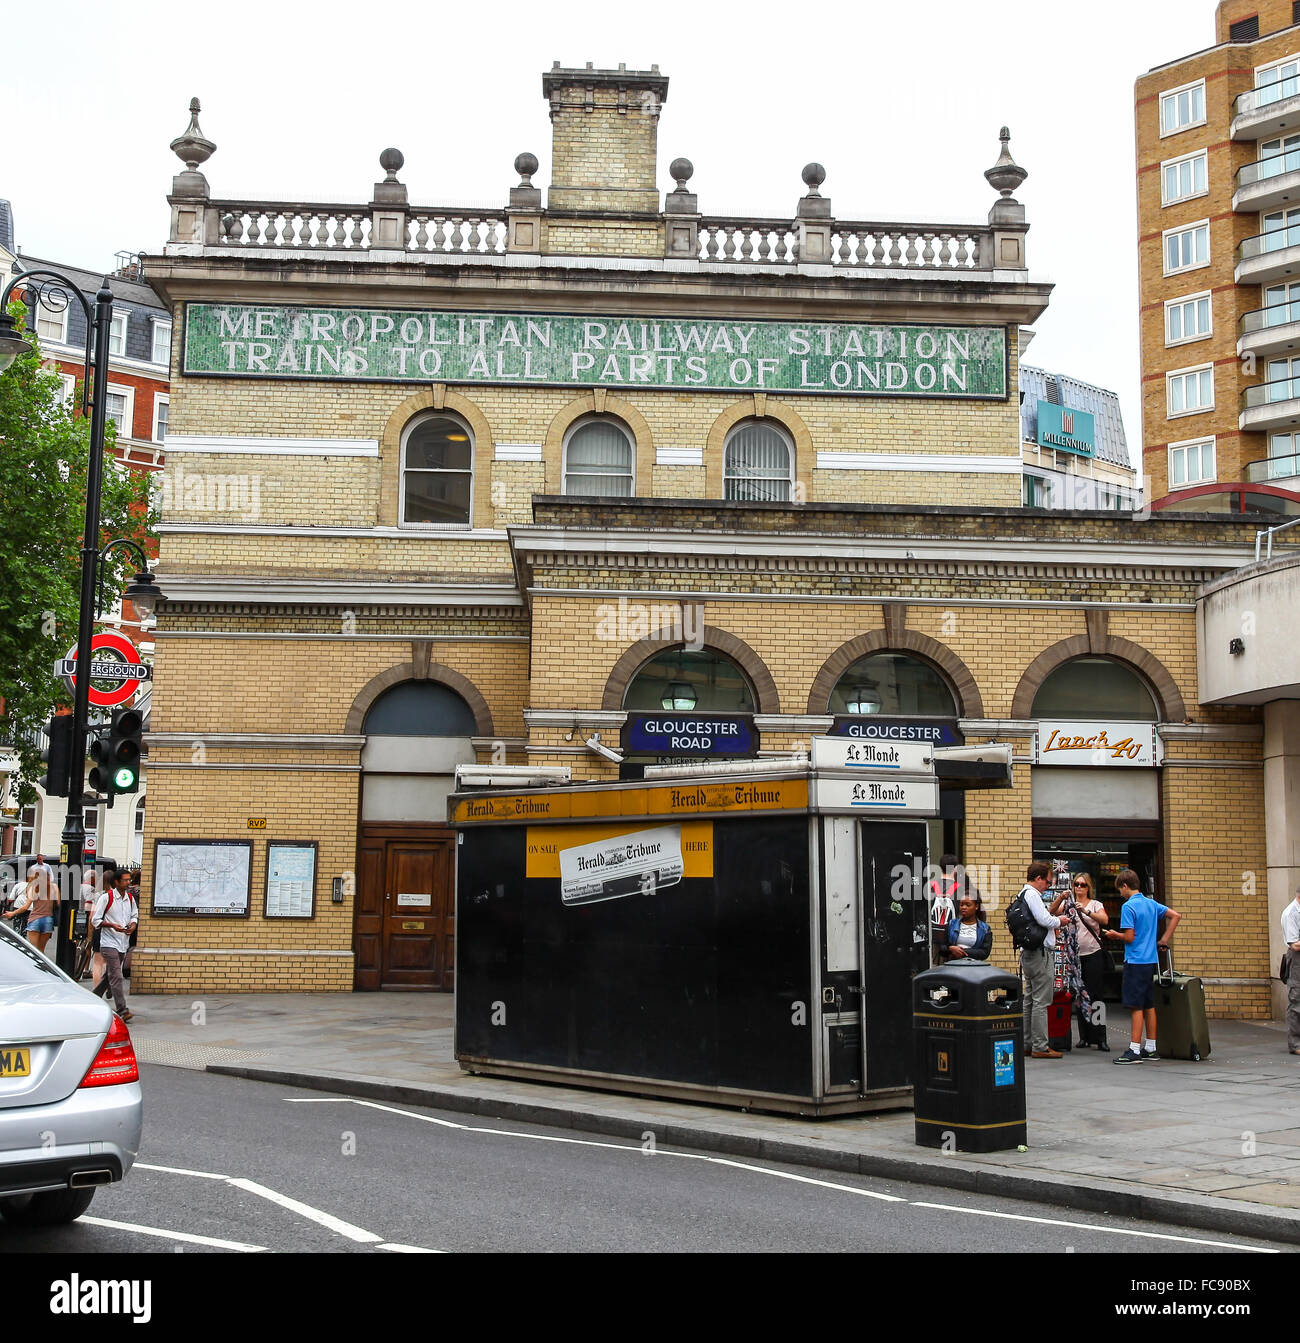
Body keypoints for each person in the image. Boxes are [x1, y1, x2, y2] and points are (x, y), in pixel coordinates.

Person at [1103, 868, 1180, 1063]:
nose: (1120, 893)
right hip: (1150, 960)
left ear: (1125, 886)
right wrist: (1163, 939)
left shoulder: (1128, 907)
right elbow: (1176, 916)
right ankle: (1151, 1048)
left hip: (1135, 961)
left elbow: (1129, 937)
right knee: (1148, 1005)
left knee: (1135, 1005)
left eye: (1120, 889)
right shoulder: (1151, 903)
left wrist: (1114, 935)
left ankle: (1134, 1049)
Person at [1057, 873, 1109, 1050]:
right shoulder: (1068, 904)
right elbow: (1050, 912)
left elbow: (1104, 920)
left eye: (1083, 885)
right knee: (1079, 995)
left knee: (1096, 996)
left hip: (1093, 954)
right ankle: (1084, 1037)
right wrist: (1061, 898)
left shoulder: (1095, 904)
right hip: (1075, 958)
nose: (1079, 887)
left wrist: (1086, 911)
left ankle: (1101, 1037)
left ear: (1089, 888)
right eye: (1076, 884)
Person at [1018, 860, 1065, 1058]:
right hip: (1040, 953)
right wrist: (1060, 921)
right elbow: (1044, 919)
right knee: (1041, 1001)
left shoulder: (1022, 894)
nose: (1047, 886)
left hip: (1029, 952)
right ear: (1038, 879)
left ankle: (1027, 1043)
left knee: (1029, 998)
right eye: (1046, 882)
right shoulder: (1033, 895)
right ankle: (1040, 1046)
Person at [91, 867, 138, 1021]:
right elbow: (95, 920)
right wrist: (112, 925)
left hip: (123, 942)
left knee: (109, 976)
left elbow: (134, 916)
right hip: (108, 942)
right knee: (117, 976)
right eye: (125, 880)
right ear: (116, 882)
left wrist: (132, 924)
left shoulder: (130, 898)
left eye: (129, 880)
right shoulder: (106, 898)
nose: (128, 882)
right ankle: (122, 1010)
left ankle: (93, 998)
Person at [927, 853, 960, 966]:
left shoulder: (930, 886)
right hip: (953, 941)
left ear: (940, 866)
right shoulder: (960, 890)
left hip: (933, 939)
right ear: (955, 868)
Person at [20, 861, 56, 957]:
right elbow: (58, 903)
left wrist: (12, 913)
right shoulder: (52, 887)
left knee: (34, 952)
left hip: (35, 919)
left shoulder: (33, 887)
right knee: (41, 952)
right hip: (48, 919)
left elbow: (26, 907)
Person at [945, 892, 992, 961]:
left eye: (968, 905)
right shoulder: (951, 924)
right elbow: (942, 947)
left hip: (974, 967)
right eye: (961, 905)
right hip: (954, 966)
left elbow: (985, 953)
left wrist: (963, 952)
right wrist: (950, 949)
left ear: (976, 906)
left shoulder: (985, 929)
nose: (964, 907)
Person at [1282, 883, 1300, 1057]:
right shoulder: (1291, 913)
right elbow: (1294, 944)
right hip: (1297, 961)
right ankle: (1295, 1044)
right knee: (1296, 1000)